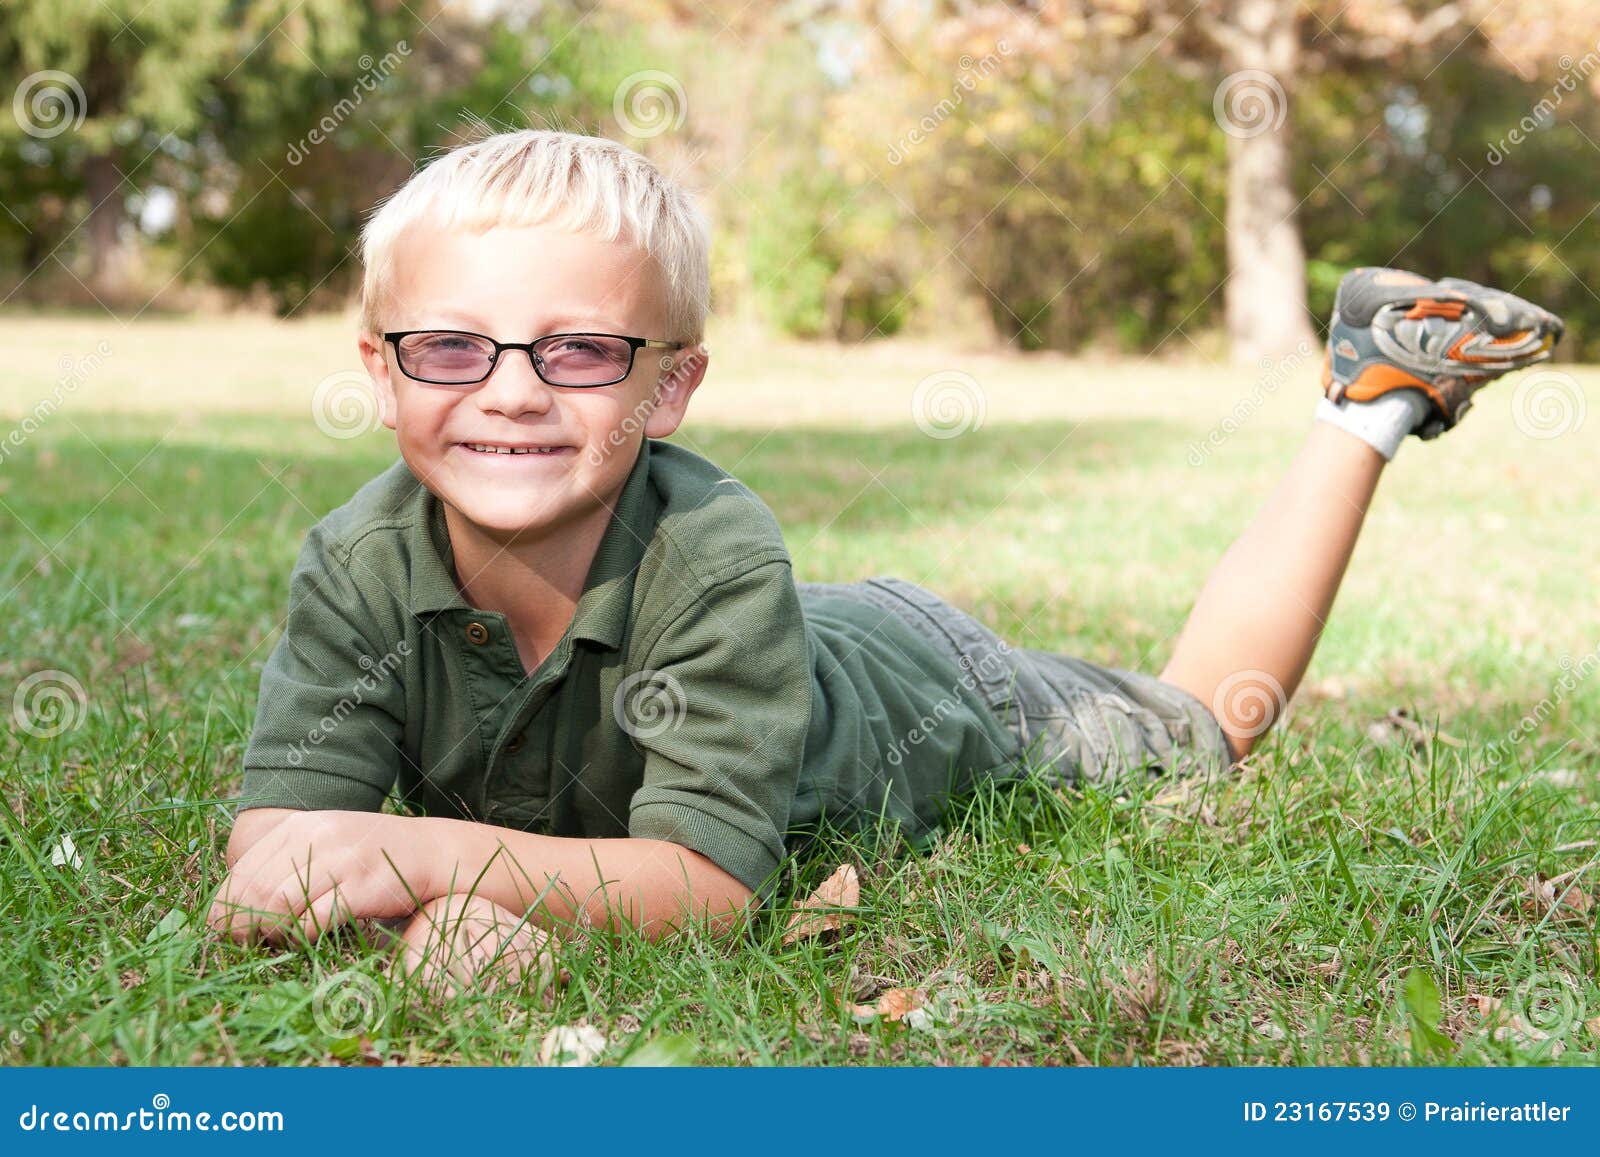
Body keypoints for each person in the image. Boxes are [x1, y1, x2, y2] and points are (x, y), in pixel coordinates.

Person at [206, 130, 1563, 993]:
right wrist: (437, 904)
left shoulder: (712, 547)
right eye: (452, 347)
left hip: (921, 686)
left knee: (1206, 725)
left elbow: (707, 888)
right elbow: (280, 849)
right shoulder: (358, 561)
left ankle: (1368, 397)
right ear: (381, 376)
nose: (509, 393)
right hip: (775, 653)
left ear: (668, 389)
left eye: (578, 351)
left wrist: (423, 860)